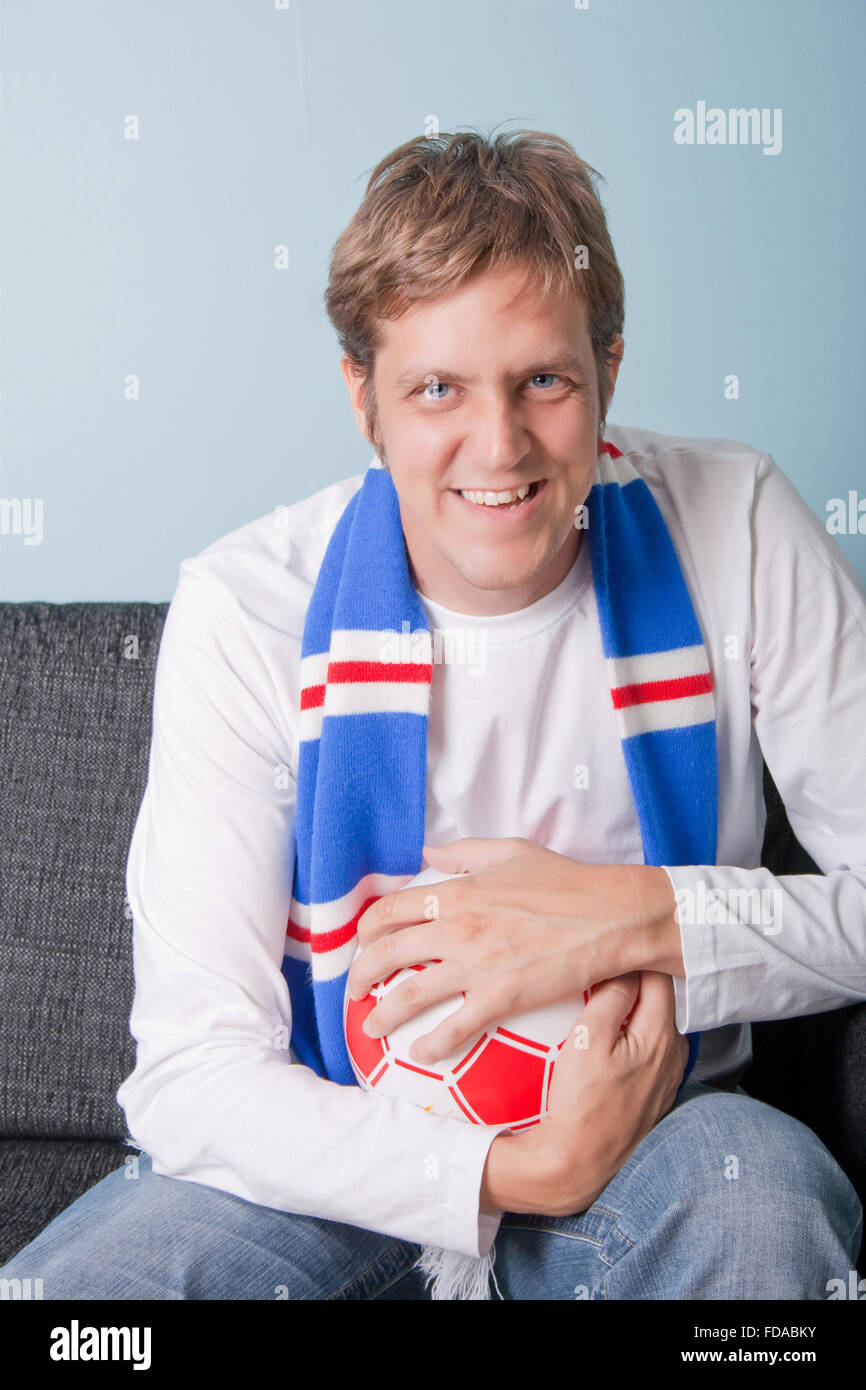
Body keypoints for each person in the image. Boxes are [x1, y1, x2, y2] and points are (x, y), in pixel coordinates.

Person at [2, 128, 864, 1301]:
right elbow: (194, 1073)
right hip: (327, 1151)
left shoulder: (738, 523)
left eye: (543, 380)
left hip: (655, 1135)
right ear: (362, 396)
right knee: (83, 1307)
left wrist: (634, 916)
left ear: (608, 365)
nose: (497, 446)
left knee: (761, 1208)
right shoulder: (248, 606)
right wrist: (512, 1166)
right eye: (438, 388)